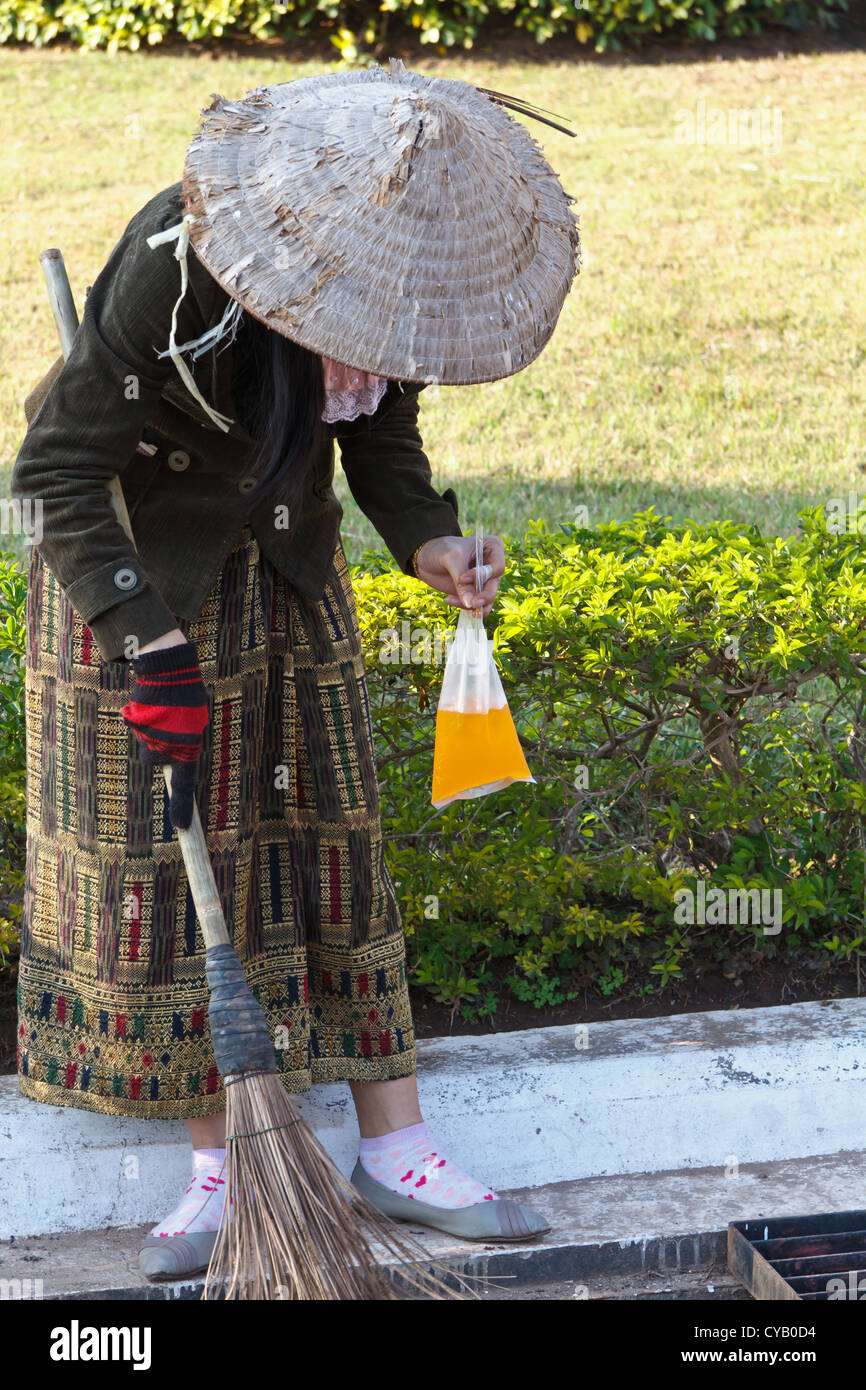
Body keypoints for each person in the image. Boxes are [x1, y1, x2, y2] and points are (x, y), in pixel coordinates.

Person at [11, 59, 579, 1281]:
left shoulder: (397, 276)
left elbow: (375, 432)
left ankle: (398, 1148)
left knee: (335, 839)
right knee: (176, 865)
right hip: (136, 577)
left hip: (285, 573)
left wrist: (428, 539)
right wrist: (144, 639)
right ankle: (225, 1173)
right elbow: (55, 473)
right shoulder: (179, 263)